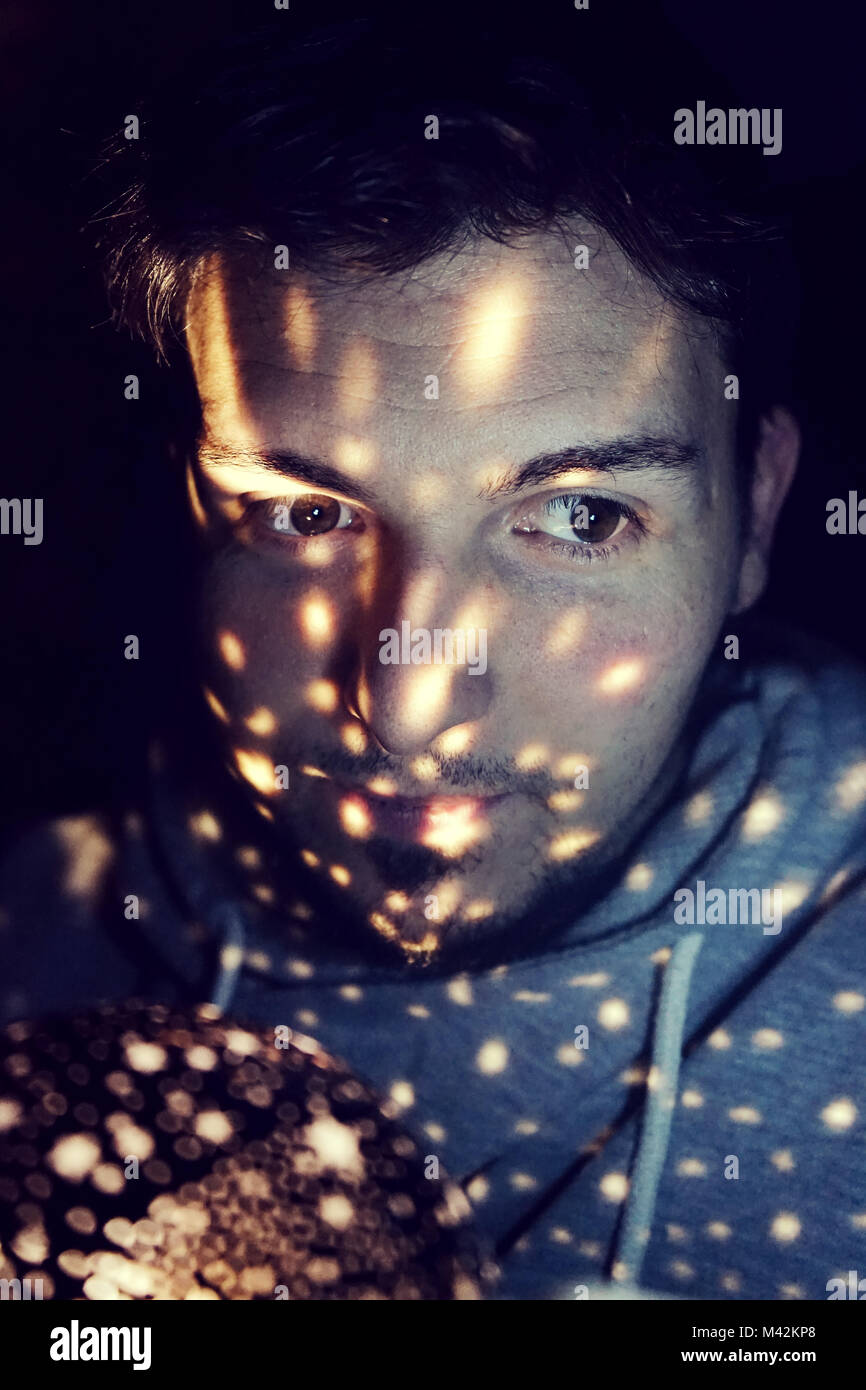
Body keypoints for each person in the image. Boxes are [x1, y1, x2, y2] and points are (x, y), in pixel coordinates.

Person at [2, 1, 864, 1300]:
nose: (406, 710)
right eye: (303, 514)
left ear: (753, 511)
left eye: (579, 516)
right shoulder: (39, 926)